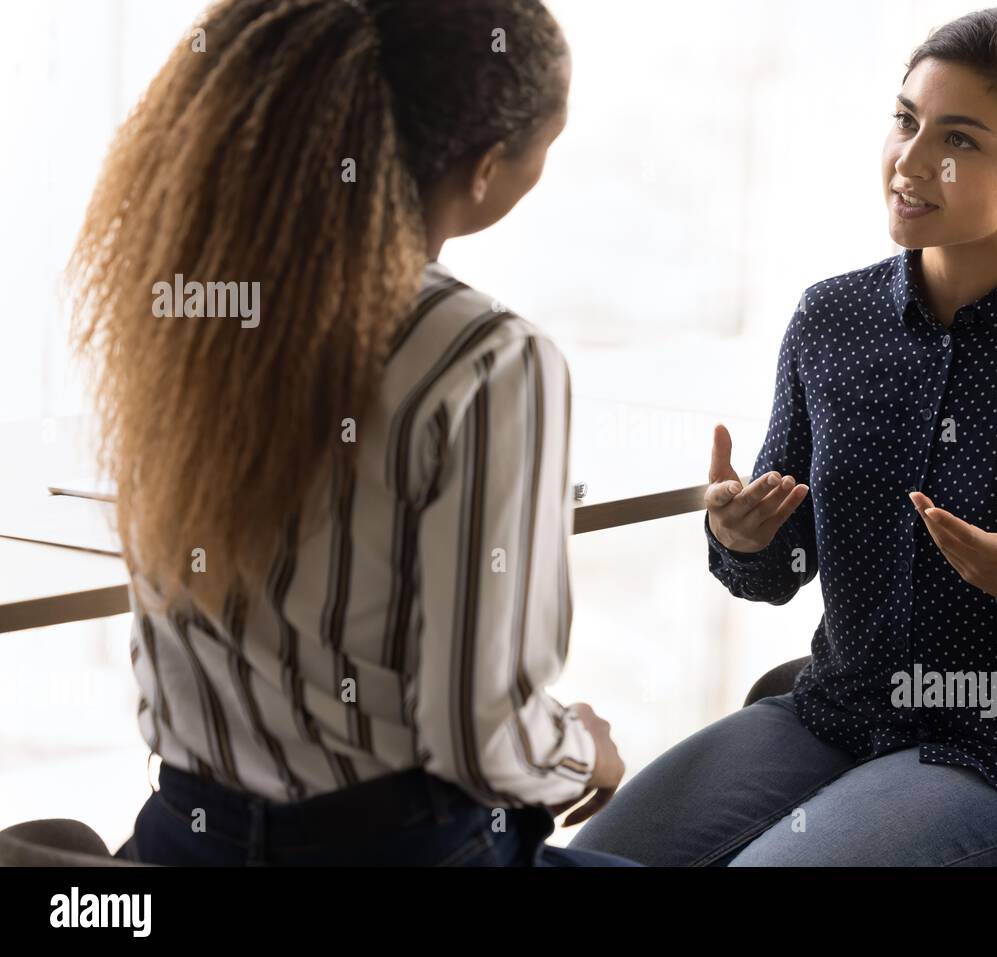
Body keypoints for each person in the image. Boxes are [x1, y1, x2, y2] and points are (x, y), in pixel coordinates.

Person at [569, 4, 997, 866]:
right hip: (833, 715)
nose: (909, 161)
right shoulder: (831, 320)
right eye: (905, 120)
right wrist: (741, 537)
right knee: (594, 856)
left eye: (960, 139)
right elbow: (778, 568)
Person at [66, 0, 636, 866]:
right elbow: (478, 734)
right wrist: (581, 749)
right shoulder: (487, 359)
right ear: (483, 169)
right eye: (544, 150)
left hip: (182, 840)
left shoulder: (180, 308)